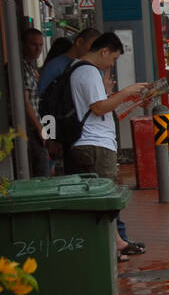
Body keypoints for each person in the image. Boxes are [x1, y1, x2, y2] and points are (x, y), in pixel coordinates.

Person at [66, 33, 148, 261]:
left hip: (92, 142)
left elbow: (104, 107)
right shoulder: (88, 71)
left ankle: (116, 243)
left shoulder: (82, 70)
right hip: (95, 144)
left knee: (103, 197)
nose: (111, 65)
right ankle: (110, 247)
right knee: (104, 199)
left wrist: (132, 99)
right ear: (103, 52)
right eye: (112, 59)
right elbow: (100, 108)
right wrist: (127, 92)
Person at [21, 28, 50, 177]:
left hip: (33, 128)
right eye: (34, 45)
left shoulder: (30, 67)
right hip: (29, 130)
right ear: (23, 45)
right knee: (41, 171)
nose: (38, 49)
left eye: (40, 45)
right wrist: (40, 129)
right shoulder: (21, 68)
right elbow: (24, 102)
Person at [38, 27, 97, 98]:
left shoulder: (91, 67)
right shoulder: (54, 66)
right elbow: (41, 95)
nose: (95, 51)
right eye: (92, 46)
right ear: (79, 42)